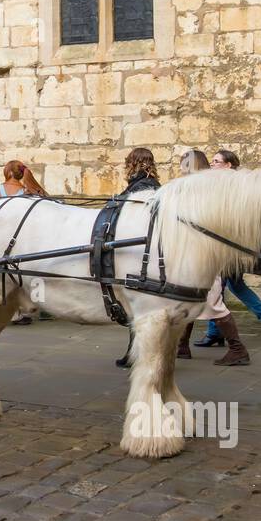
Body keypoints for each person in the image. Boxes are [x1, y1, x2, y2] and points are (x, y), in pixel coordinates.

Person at [194, 148, 261, 347]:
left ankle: (215, 332)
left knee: (216, 286)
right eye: (212, 161)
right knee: (231, 285)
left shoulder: (232, 184)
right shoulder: (226, 183)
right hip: (230, 245)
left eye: (216, 161)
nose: (212, 164)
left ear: (228, 165)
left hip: (229, 246)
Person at [175, 148, 250, 365]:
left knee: (212, 300)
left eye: (184, 162)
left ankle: (238, 350)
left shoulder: (204, 189)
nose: (181, 166)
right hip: (195, 251)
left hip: (205, 252)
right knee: (189, 298)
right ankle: (181, 346)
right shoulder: (197, 187)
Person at [114, 149, 163, 364]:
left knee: (139, 308)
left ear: (132, 163)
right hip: (149, 252)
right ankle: (135, 354)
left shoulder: (141, 186)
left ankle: (138, 356)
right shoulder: (153, 185)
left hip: (139, 253)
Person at [0, 161, 49, 324]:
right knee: (24, 275)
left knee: (4, 275)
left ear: (7, 172)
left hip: (0, 238)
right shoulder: (26, 192)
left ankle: (11, 312)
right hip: (21, 240)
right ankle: (30, 308)